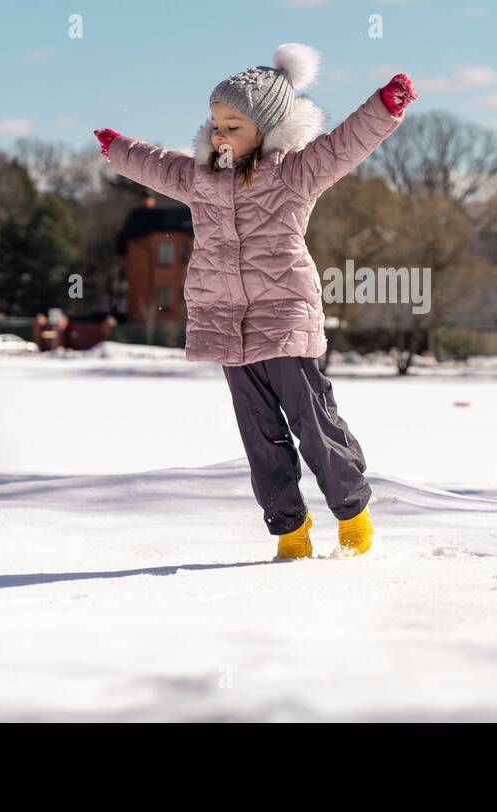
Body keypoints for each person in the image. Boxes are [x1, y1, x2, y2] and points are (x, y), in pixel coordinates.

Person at [94, 43, 417, 560]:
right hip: (225, 323)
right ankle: (291, 530)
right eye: (215, 123)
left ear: (266, 130)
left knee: (313, 423)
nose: (219, 135)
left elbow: (343, 146)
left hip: (285, 316)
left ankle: (352, 512)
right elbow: (156, 165)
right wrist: (117, 149)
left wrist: (385, 106)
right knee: (259, 434)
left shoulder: (294, 173)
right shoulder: (200, 178)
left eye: (233, 125)